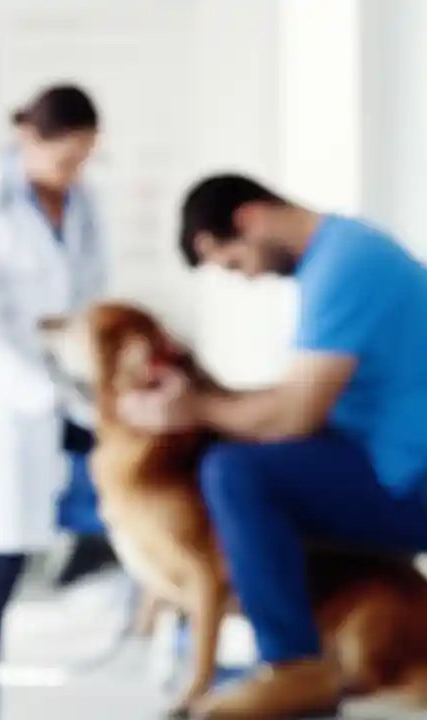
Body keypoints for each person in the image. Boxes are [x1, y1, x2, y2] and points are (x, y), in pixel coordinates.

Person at [118, 174, 427, 718]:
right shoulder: (343, 253)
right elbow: (294, 399)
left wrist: (196, 408)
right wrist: (206, 396)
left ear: (249, 219)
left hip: (411, 482)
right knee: (242, 457)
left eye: (235, 262)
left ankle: (292, 667)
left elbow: (294, 415)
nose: (248, 277)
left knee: (236, 473)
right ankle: (297, 653)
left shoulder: (346, 266)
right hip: (387, 460)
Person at [0, 84, 108, 720]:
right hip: (7, 400)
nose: (76, 173)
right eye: (66, 159)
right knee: (1, 554)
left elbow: (93, 295)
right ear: (29, 140)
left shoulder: (85, 203)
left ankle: (91, 562)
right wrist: (48, 394)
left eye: (85, 159)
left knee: (120, 488)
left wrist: (87, 382)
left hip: (71, 382)